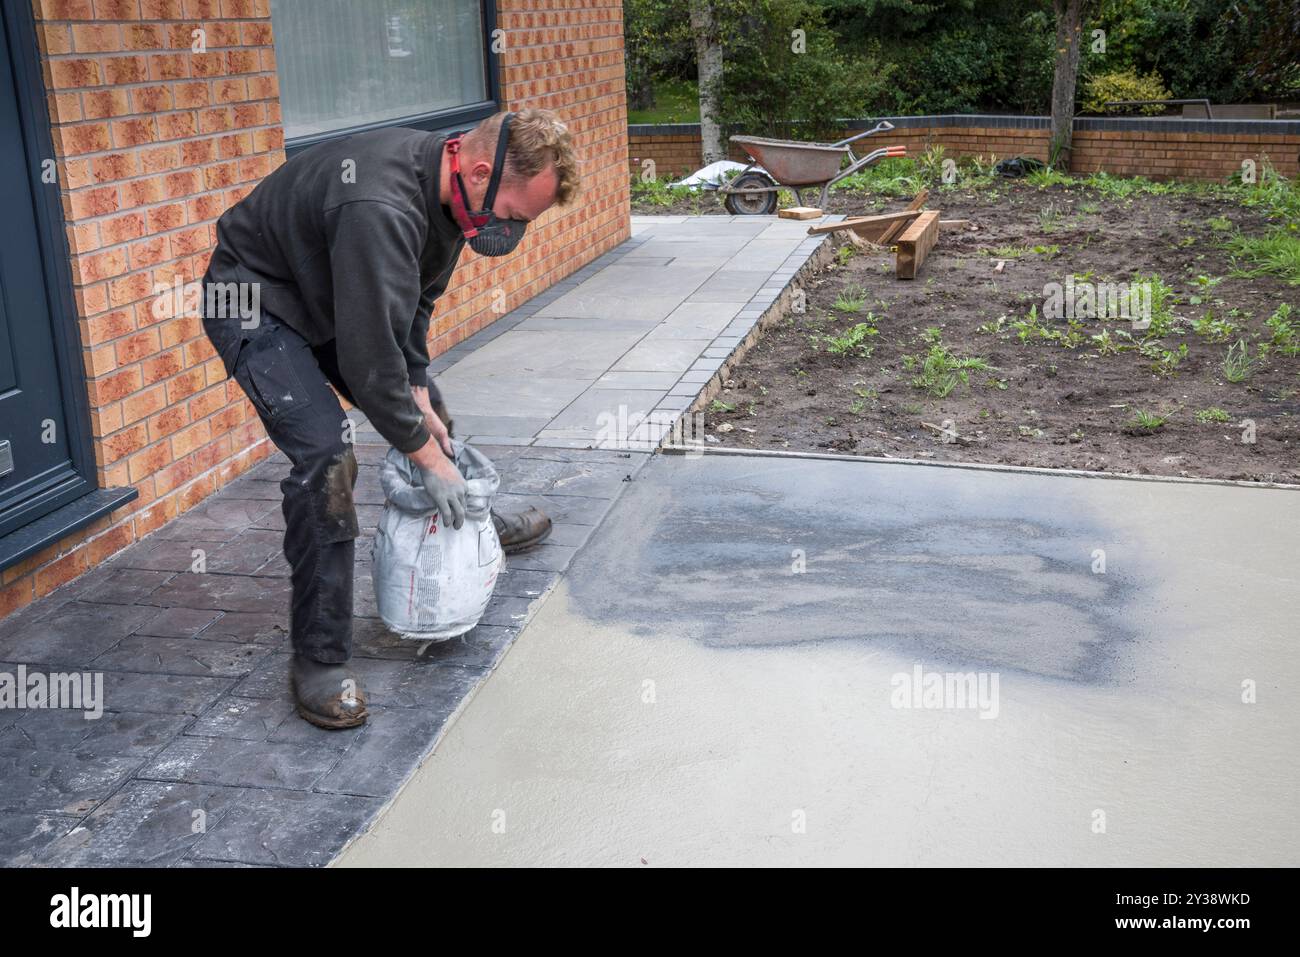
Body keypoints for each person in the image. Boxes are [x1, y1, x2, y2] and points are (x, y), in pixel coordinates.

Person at [198, 109, 581, 729]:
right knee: (326, 454)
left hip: (331, 290)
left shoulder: (454, 191)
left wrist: (422, 394)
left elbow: (417, 303)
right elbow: (369, 356)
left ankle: (466, 517)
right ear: (479, 171)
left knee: (425, 412)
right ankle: (319, 659)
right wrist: (424, 453)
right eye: (512, 216)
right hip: (254, 299)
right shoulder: (380, 202)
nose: (510, 231)